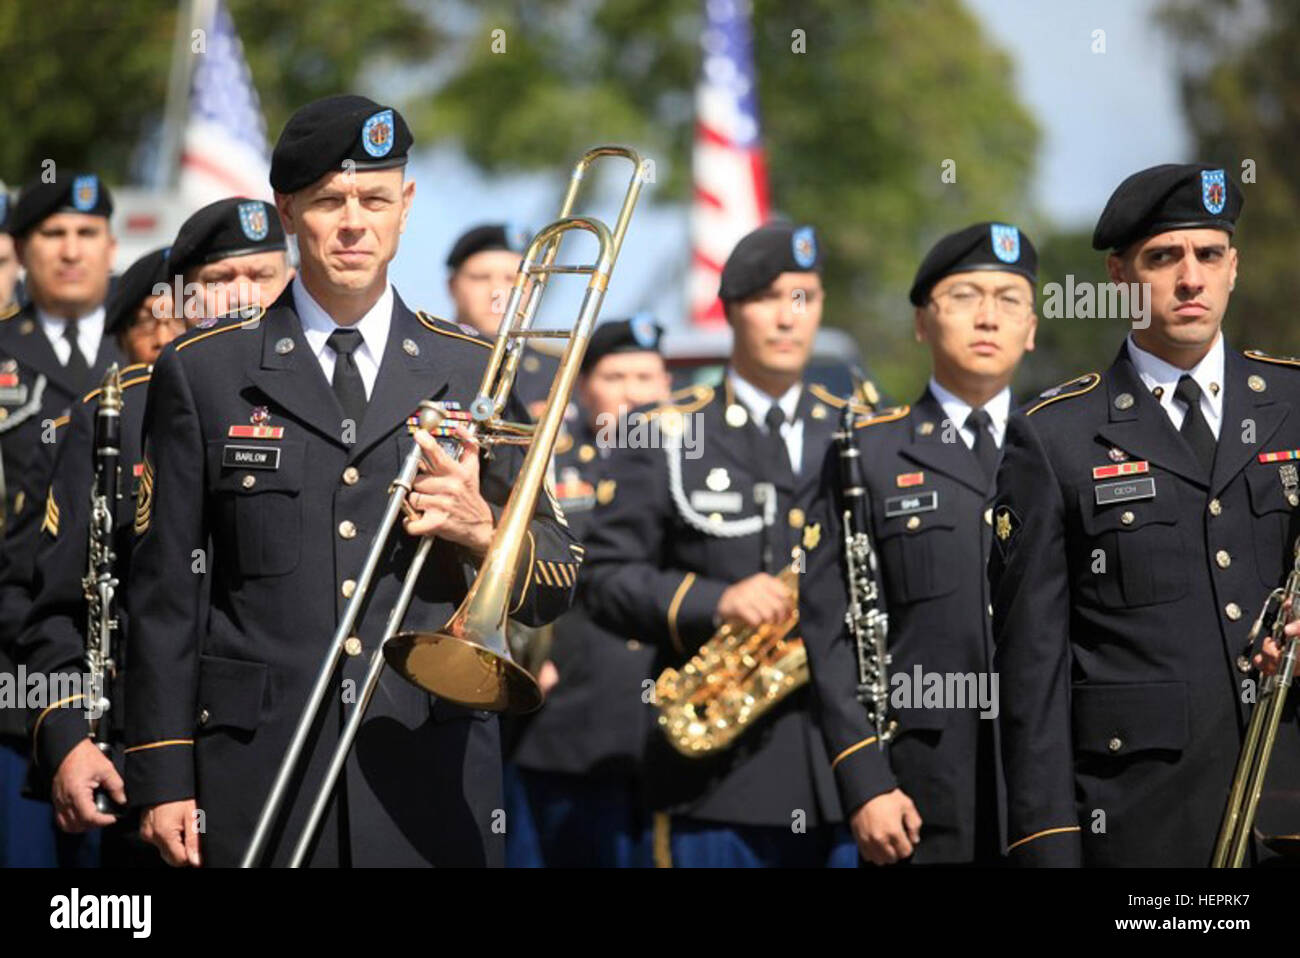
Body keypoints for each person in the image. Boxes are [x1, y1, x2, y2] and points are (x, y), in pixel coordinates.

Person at [124, 95, 577, 868]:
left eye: (374, 199)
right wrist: (164, 773)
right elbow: (167, 596)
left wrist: (479, 528)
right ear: (289, 210)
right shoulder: (204, 372)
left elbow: (559, 575)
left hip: (425, 777)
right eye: (330, 201)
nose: (353, 222)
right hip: (260, 772)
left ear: (405, 208)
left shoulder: (473, 369)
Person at [990, 163, 1300, 866]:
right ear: (1119, 276)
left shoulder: (1294, 403)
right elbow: (1031, 673)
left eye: (1209, 254)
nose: (1190, 278)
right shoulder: (1054, 436)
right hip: (1143, 833)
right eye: (1164, 258)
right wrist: (1047, 847)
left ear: (1234, 268)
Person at [581, 223, 867, 867]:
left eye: (806, 297)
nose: (790, 317)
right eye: (770, 298)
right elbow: (603, 578)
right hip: (715, 782)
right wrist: (717, 600)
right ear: (732, 307)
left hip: (847, 775)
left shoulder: (861, 427)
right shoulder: (664, 431)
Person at [19, 203, 293, 862]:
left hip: (289, 747)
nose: (246, 294)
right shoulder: (115, 412)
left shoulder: (338, 399)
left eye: (263, 273)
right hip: (144, 760)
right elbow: (51, 608)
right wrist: (65, 732)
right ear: (180, 299)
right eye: (223, 277)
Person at [800, 222, 1039, 865]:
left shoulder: (1064, 442)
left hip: (1051, 784)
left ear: (1033, 327)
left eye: (1010, 299)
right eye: (963, 296)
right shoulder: (865, 453)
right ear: (921, 324)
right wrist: (864, 780)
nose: (988, 317)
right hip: (922, 783)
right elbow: (829, 633)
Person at [508, 315, 672, 866]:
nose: (633, 393)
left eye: (647, 378)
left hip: (663, 712)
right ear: (582, 388)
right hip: (570, 716)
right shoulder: (547, 464)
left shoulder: (690, 460)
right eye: (617, 377)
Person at [0, 172, 120, 866]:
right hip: (14, 686)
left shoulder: (147, 358)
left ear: (110, 246)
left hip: (126, 693)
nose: (71, 250)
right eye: (52, 234)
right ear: (20, 248)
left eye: (86, 233)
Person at [445, 223, 556, 411]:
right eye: (480, 277)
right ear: (452, 286)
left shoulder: (558, 371)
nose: (497, 292)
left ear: (531, 288)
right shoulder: (422, 355)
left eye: (512, 279)